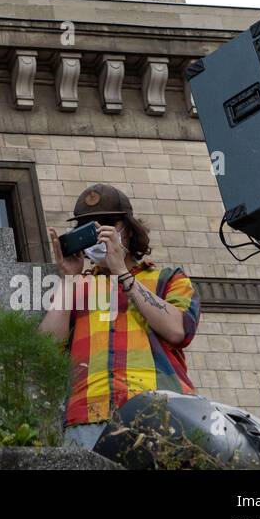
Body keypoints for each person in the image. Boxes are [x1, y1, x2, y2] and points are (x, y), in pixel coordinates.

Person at [38, 183, 202, 451]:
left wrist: (121, 272)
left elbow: (178, 330)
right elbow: (45, 347)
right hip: (88, 417)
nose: (98, 234)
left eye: (105, 224)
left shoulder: (167, 278)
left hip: (159, 410)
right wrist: (68, 279)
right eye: (87, 227)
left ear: (127, 228)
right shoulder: (78, 286)